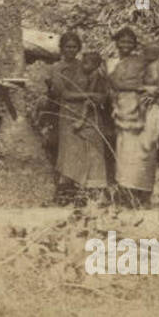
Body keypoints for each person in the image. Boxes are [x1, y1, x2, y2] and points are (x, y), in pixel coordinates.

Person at [46, 33, 109, 204]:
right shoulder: (56, 68)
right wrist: (89, 94)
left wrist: (97, 96)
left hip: (87, 114)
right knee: (70, 153)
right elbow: (63, 93)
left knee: (89, 152)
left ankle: (87, 193)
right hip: (68, 114)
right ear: (61, 48)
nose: (71, 50)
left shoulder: (86, 65)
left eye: (74, 47)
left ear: (79, 48)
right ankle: (67, 194)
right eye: (67, 46)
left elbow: (100, 89)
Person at [106, 27, 159, 207]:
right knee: (125, 154)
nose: (125, 45)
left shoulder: (144, 61)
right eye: (122, 41)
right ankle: (126, 196)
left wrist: (152, 91)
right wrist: (135, 87)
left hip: (145, 111)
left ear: (135, 44)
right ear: (116, 42)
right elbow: (113, 83)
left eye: (129, 42)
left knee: (145, 153)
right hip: (123, 111)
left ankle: (144, 195)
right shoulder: (111, 62)